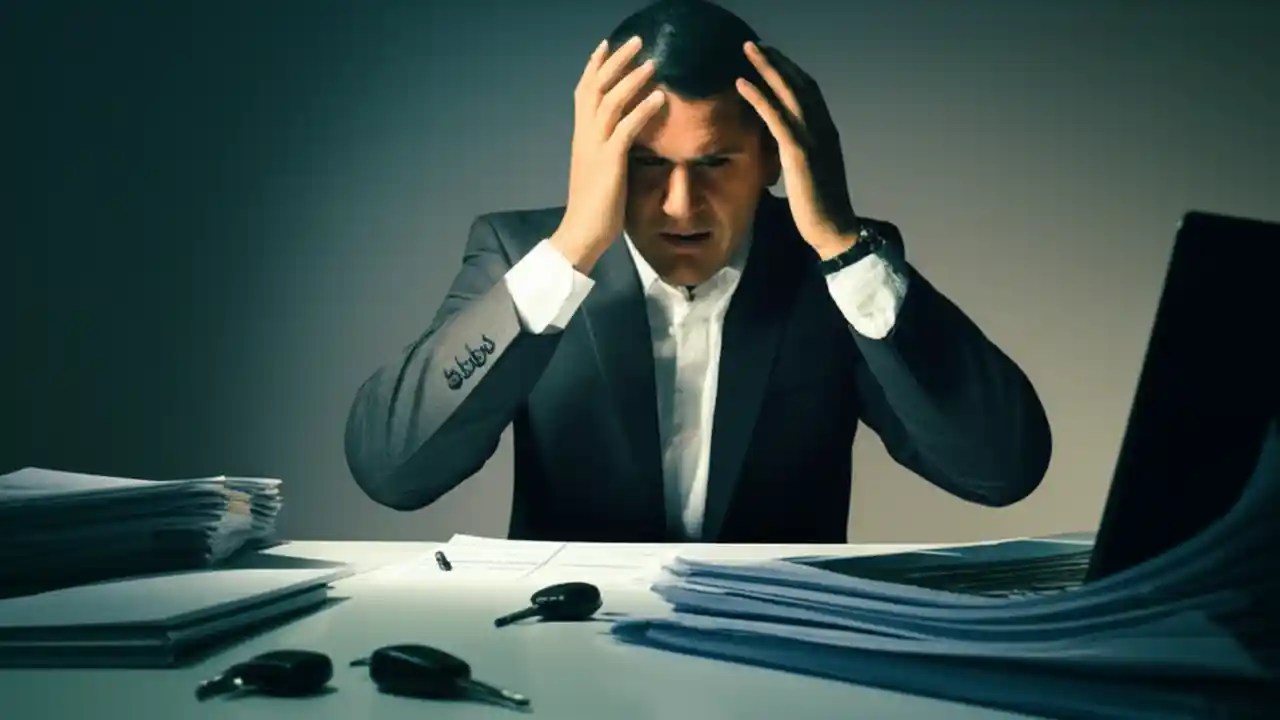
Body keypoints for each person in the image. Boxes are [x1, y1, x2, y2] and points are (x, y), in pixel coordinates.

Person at [343, 0, 1052, 543]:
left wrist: (842, 244)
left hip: (777, 663)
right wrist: (566, 254)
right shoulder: (517, 252)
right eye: (647, 164)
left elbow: (1000, 470)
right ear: (600, 156)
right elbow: (392, 471)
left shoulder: (837, 275)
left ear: (775, 157)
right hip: (567, 661)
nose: (681, 205)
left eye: (715, 163)